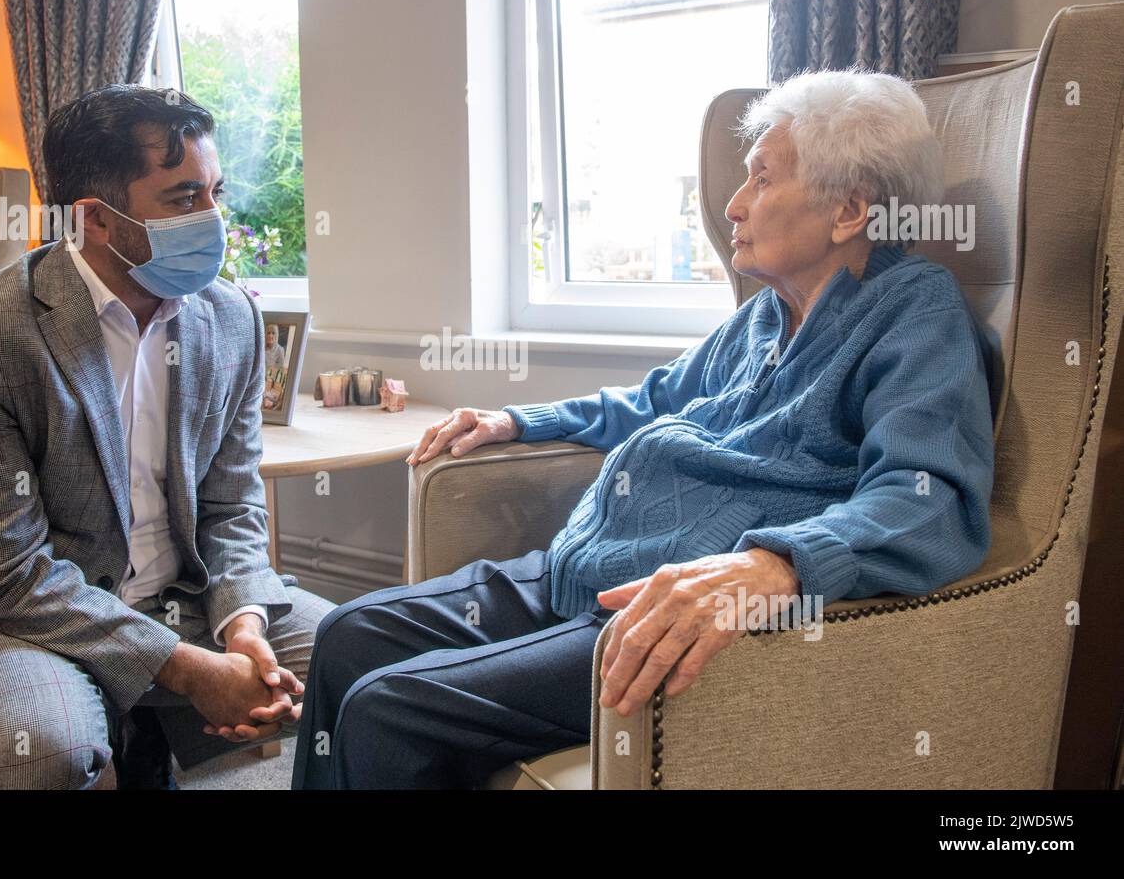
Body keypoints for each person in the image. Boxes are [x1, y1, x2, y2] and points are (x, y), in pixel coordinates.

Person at [291, 69, 996, 789]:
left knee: (388, 711)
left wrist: (776, 565)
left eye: (760, 179)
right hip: (581, 571)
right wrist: (518, 419)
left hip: (657, 614)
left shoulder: (915, 313)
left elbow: (929, 496)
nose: (732, 205)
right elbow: (653, 400)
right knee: (346, 636)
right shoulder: (761, 317)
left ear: (849, 211)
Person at [0, 84, 334, 789]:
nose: (215, 219)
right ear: (95, 219)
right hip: (25, 618)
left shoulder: (233, 321)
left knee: (372, 663)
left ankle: (150, 723)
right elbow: (4, 573)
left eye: (216, 190)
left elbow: (233, 507)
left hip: (190, 593)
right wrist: (189, 668)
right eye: (185, 199)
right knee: (38, 757)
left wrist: (242, 627)